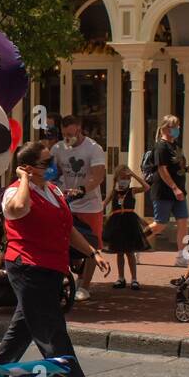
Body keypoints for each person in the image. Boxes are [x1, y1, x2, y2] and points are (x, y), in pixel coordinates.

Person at [0, 141, 112, 377]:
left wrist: (92, 252)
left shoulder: (54, 191)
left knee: (25, 325)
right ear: (27, 168)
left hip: (51, 267)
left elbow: (69, 230)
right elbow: (18, 210)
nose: (53, 167)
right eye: (46, 163)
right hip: (27, 267)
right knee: (51, 329)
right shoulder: (13, 192)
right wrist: (22, 180)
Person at [50, 115, 106, 301]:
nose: (68, 139)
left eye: (71, 134)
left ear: (79, 129)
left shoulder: (93, 148)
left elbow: (98, 175)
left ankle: (84, 286)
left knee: (92, 246)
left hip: (90, 205)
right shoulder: (58, 148)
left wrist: (83, 189)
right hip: (67, 203)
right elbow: (51, 170)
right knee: (65, 243)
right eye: (65, 135)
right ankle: (65, 281)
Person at [146, 114, 189, 267]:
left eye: (178, 126)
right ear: (165, 128)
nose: (178, 129)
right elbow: (162, 170)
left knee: (183, 222)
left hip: (179, 190)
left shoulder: (175, 146)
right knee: (160, 224)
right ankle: (135, 244)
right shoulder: (160, 147)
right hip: (164, 191)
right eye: (174, 126)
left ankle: (182, 256)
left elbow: (175, 166)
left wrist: (187, 169)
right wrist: (175, 188)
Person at [104, 164, 150, 289]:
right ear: (117, 178)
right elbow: (103, 204)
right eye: (121, 177)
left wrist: (134, 175)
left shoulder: (132, 191)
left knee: (130, 252)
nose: (124, 180)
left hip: (130, 224)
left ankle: (134, 279)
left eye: (126, 177)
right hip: (117, 224)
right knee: (119, 252)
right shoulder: (113, 192)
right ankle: (121, 278)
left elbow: (146, 187)